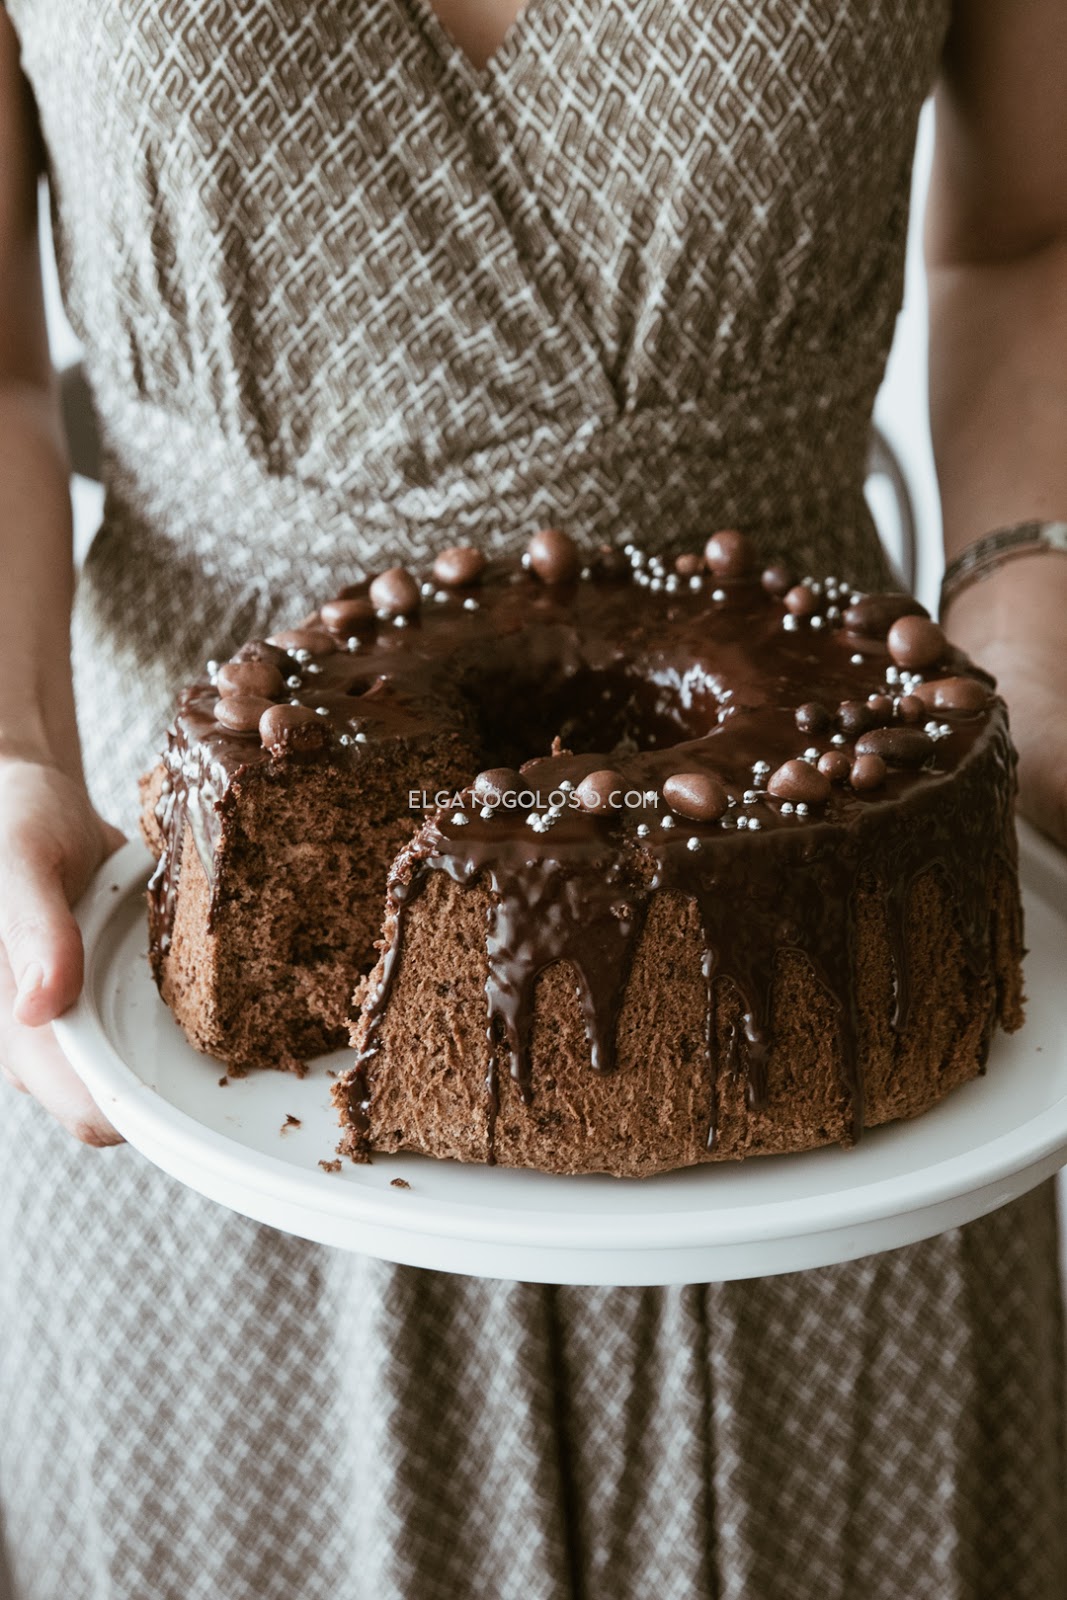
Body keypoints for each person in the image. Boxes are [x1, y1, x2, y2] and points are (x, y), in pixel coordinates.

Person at [1, 1, 1065, 1594]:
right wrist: (9, 753)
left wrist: (1034, 637)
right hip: (185, 915)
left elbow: (1029, 236)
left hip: (830, 929)